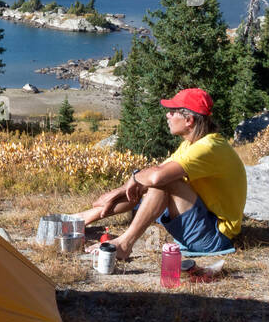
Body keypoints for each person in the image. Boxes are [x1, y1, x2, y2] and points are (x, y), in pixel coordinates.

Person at [79, 88, 246, 262]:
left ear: (189, 120)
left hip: (215, 238)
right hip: (204, 223)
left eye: (173, 112)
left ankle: (124, 245)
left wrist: (134, 177)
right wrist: (120, 191)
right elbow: (151, 175)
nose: (167, 115)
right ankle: (81, 219)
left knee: (163, 182)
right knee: (150, 182)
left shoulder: (209, 148)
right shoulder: (192, 144)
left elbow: (157, 177)